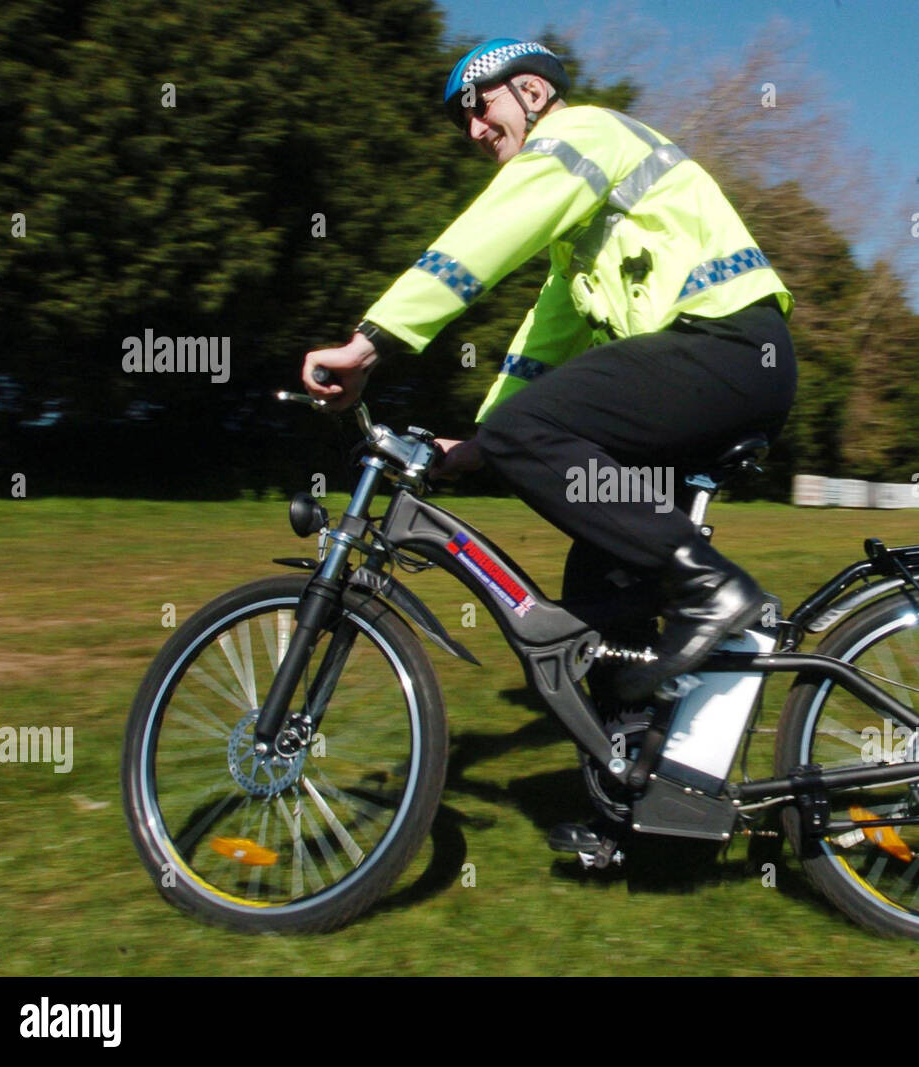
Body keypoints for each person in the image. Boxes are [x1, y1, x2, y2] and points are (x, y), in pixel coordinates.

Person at [302, 38, 797, 707]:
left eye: (479, 107)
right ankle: (635, 779)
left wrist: (368, 343)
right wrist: (479, 444)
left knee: (530, 437)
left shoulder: (580, 134)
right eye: (462, 123)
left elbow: (487, 236)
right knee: (603, 591)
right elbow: (544, 339)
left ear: (532, 94)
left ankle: (711, 585)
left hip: (728, 347)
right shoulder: (582, 238)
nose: (473, 130)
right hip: (713, 370)